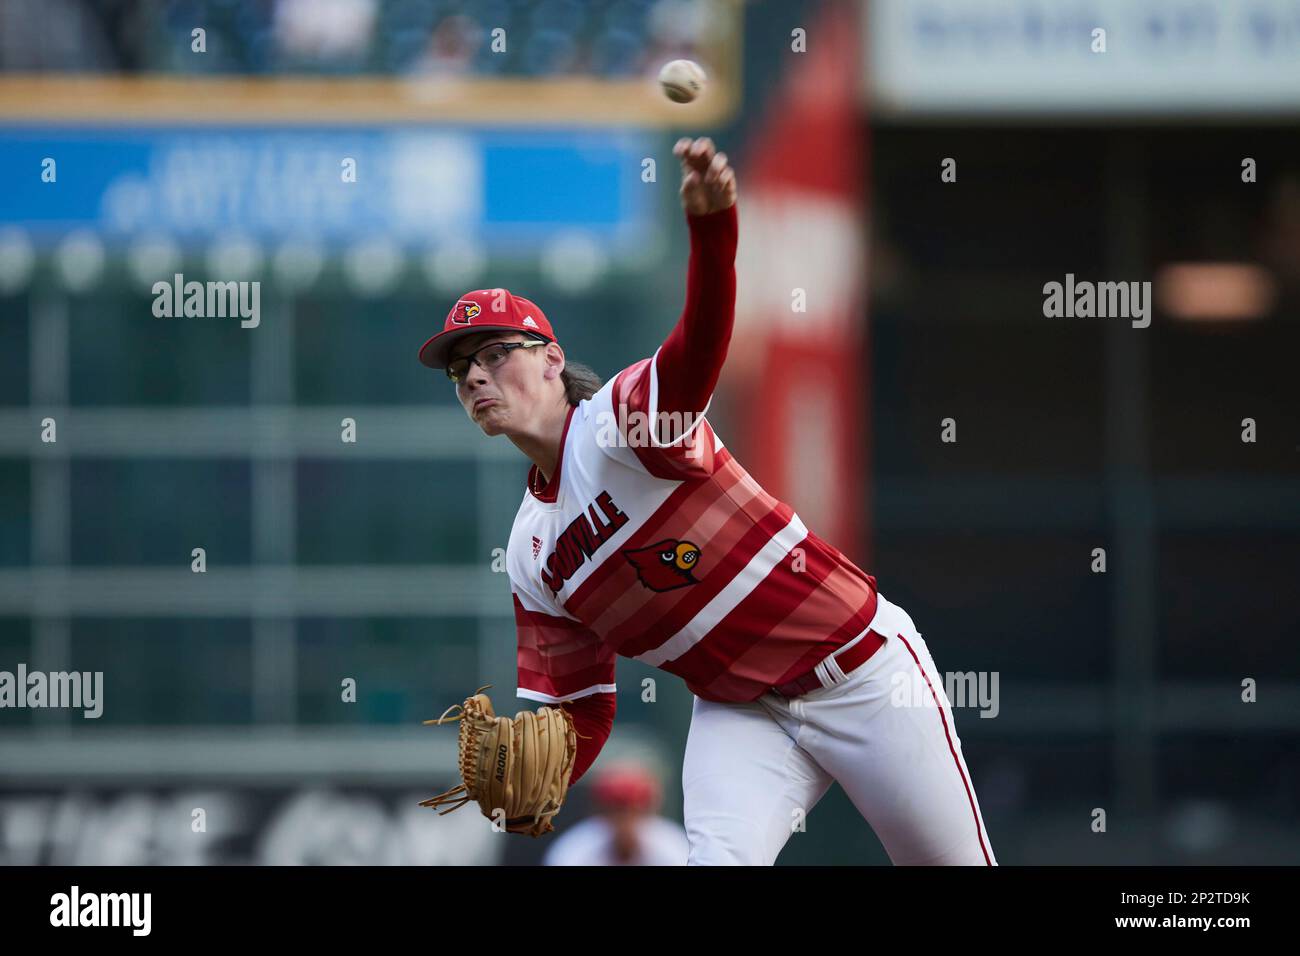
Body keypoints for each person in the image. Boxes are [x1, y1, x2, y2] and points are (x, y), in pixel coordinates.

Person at [417, 136, 996, 866]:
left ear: (553, 360)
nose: (475, 376)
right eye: (462, 369)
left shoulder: (623, 423)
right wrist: (548, 782)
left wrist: (713, 227)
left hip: (859, 672)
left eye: (496, 353)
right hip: (740, 712)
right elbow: (581, 706)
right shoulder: (532, 552)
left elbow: (699, 348)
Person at [542, 763, 688, 866]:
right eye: (615, 810)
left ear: (650, 812)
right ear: (600, 813)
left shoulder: (674, 849)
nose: (624, 820)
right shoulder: (574, 851)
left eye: (633, 810)